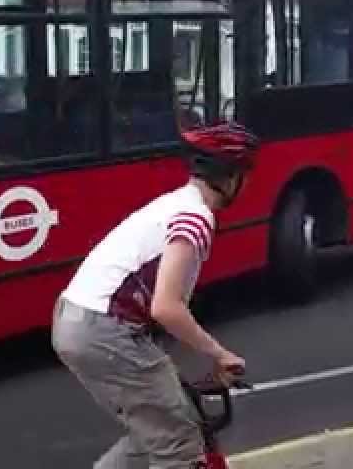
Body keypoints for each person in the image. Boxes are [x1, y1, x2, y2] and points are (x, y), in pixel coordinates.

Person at [52, 122, 260, 468]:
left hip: (79, 320)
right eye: (246, 174)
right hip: (105, 328)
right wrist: (220, 353)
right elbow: (166, 307)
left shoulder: (174, 204)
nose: (249, 184)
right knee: (179, 442)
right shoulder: (194, 220)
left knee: (157, 427)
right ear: (228, 176)